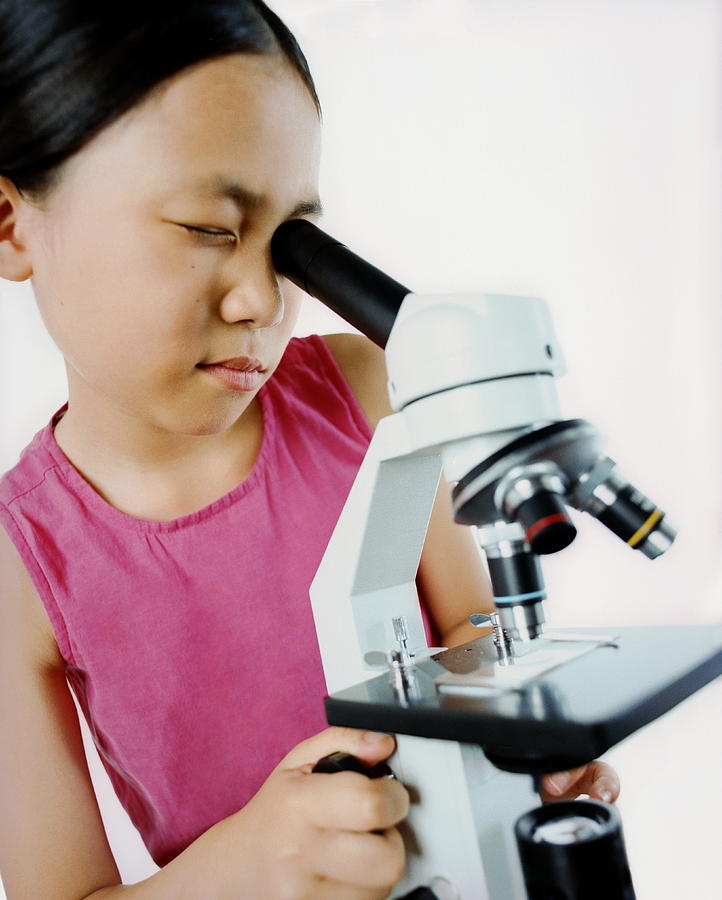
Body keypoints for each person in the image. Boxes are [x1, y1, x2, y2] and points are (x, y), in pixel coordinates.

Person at [0, 2, 620, 898]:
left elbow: (474, 633)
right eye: (210, 227)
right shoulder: (20, 571)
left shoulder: (368, 392)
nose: (262, 298)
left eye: (292, 244)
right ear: (13, 223)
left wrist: (535, 750)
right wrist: (248, 866)